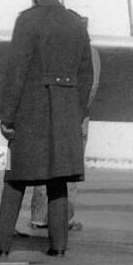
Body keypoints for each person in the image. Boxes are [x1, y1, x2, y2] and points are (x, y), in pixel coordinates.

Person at [0, 0, 93, 258]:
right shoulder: (76, 24)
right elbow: (86, 75)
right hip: (65, 112)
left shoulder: (27, 21)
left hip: (30, 112)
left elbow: (16, 72)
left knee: (14, 176)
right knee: (58, 178)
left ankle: (1, 243)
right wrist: (76, 111)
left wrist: (7, 117)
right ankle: (58, 246)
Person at [29, 42, 100, 233]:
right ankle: (63, 218)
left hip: (51, 115)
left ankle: (39, 215)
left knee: (45, 162)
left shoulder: (51, 48)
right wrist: (77, 113)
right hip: (76, 117)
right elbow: (92, 86)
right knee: (71, 168)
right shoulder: (90, 51)